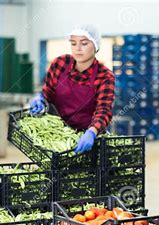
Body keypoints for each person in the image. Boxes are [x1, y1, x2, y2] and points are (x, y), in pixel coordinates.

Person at [30, 25, 115, 154]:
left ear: (95, 45)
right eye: (73, 43)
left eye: (84, 43)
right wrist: (40, 98)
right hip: (57, 137)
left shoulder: (104, 76)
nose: (78, 48)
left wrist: (92, 132)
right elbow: (48, 92)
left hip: (88, 140)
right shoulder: (60, 63)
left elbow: (103, 110)